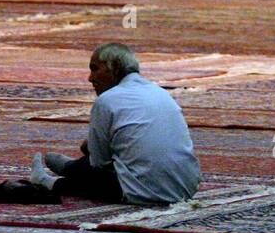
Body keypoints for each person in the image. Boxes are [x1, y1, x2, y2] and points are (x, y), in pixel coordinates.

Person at [28, 43, 201, 205]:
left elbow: (99, 163)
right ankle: (70, 167)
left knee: (99, 176)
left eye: (95, 69)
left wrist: (91, 150)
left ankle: (50, 181)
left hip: (145, 190)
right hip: (186, 187)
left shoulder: (107, 100)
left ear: (115, 67)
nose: (90, 78)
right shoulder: (160, 93)